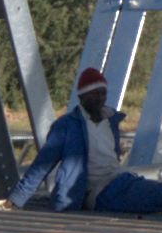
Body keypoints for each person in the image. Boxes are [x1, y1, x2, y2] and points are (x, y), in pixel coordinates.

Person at [12, 65, 125, 210]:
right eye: (93, 94)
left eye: (102, 93)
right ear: (81, 96)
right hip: (95, 193)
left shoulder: (111, 122)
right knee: (154, 194)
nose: (99, 98)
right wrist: (15, 200)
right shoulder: (67, 126)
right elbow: (42, 165)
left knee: (150, 191)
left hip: (118, 181)